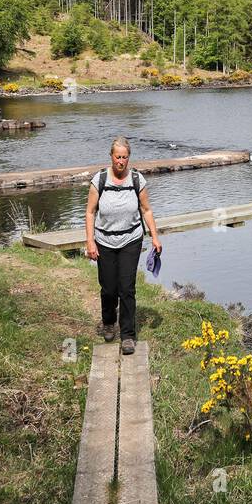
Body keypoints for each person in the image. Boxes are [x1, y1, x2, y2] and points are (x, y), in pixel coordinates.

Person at [85, 137, 161, 355]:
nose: (121, 161)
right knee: (109, 288)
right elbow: (90, 213)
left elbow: (146, 210)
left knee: (127, 288)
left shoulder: (137, 180)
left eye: (125, 157)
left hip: (131, 239)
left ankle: (128, 335)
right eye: (117, 157)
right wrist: (90, 241)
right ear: (111, 156)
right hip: (104, 241)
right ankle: (109, 322)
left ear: (129, 157)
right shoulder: (99, 180)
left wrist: (155, 237)